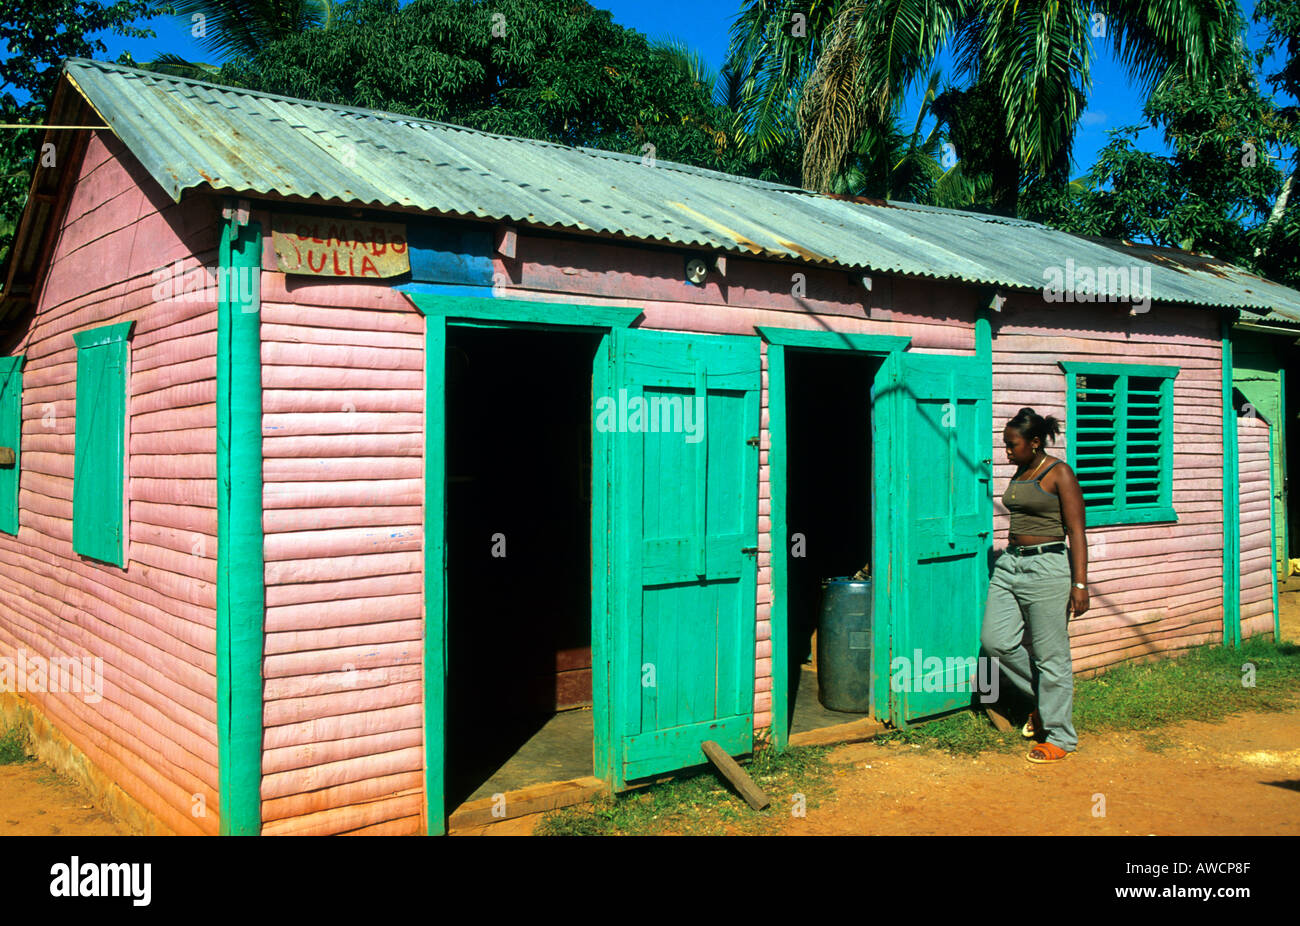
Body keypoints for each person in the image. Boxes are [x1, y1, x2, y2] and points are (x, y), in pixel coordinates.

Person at [981, 407, 1089, 763]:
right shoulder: (1022, 470)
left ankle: (1060, 737)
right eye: (1005, 445)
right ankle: (1045, 703)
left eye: (1012, 445)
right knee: (995, 642)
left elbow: (1077, 531)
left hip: (1047, 567)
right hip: (1011, 564)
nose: (1006, 452)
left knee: (1050, 656)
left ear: (1035, 442)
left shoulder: (1060, 473)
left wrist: (1080, 583)